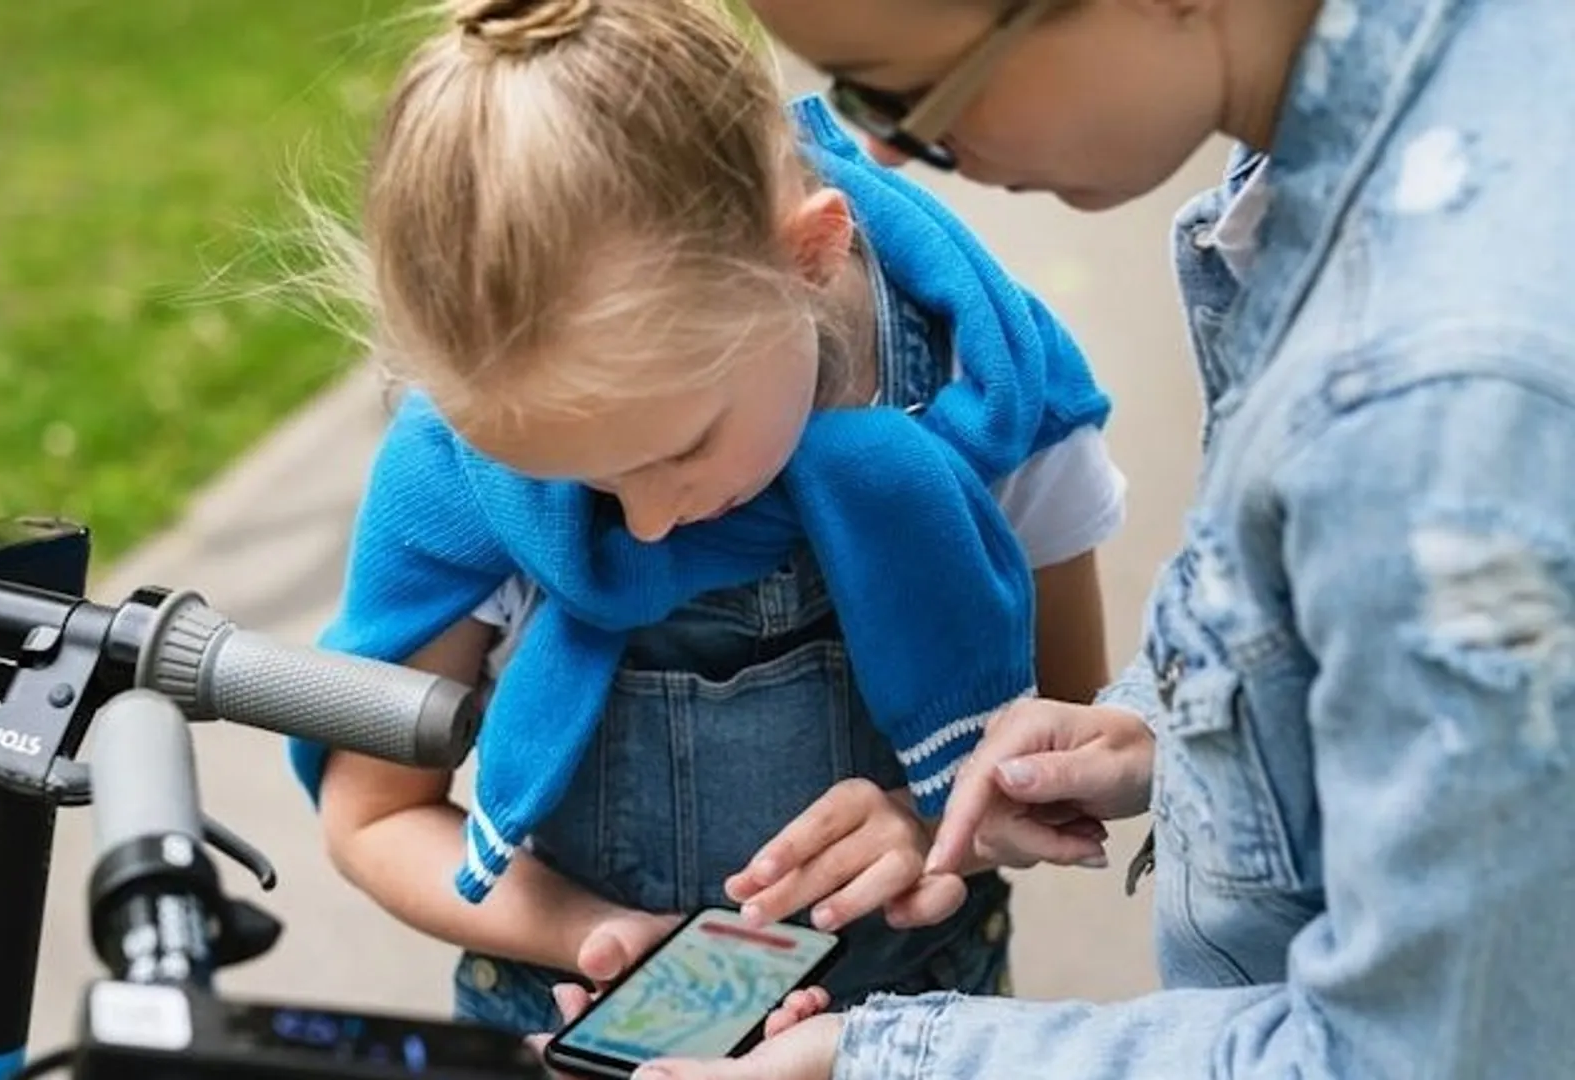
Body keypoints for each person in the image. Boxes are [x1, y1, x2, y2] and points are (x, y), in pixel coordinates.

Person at [556, 0, 1575, 1076]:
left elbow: (1414, 1054)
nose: (891, 151)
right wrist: (1164, 736)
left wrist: (875, 1059)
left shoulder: (1434, 407)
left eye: (907, 92)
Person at [286, 0, 1130, 1038]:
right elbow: (372, 813)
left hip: (919, 1028)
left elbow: (1071, 732)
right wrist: (594, 937)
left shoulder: (990, 391)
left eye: (676, 451)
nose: (642, 528)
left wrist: (928, 824)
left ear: (810, 256)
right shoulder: (460, 473)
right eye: (585, 485)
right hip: (597, 1027)